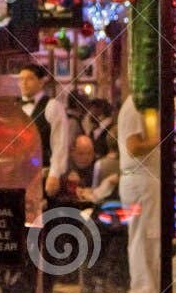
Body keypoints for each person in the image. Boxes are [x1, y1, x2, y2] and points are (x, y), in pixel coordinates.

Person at [116, 92, 162, 293]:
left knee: (147, 237)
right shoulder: (135, 105)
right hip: (140, 179)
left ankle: (148, 290)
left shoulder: (142, 106)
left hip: (143, 179)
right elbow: (133, 147)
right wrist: (162, 138)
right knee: (143, 237)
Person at [17, 63, 75, 199]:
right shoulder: (15, 106)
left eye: (29, 78)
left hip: (43, 173)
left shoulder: (53, 106)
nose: (24, 83)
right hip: (18, 176)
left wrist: (54, 174)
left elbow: (60, 144)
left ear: (41, 82)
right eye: (21, 79)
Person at [52, 133, 120, 208]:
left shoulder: (100, 166)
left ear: (94, 153)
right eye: (80, 153)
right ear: (72, 152)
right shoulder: (63, 169)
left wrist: (88, 190)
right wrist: (74, 189)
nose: (85, 158)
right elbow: (56, 196)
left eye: (89, 153)